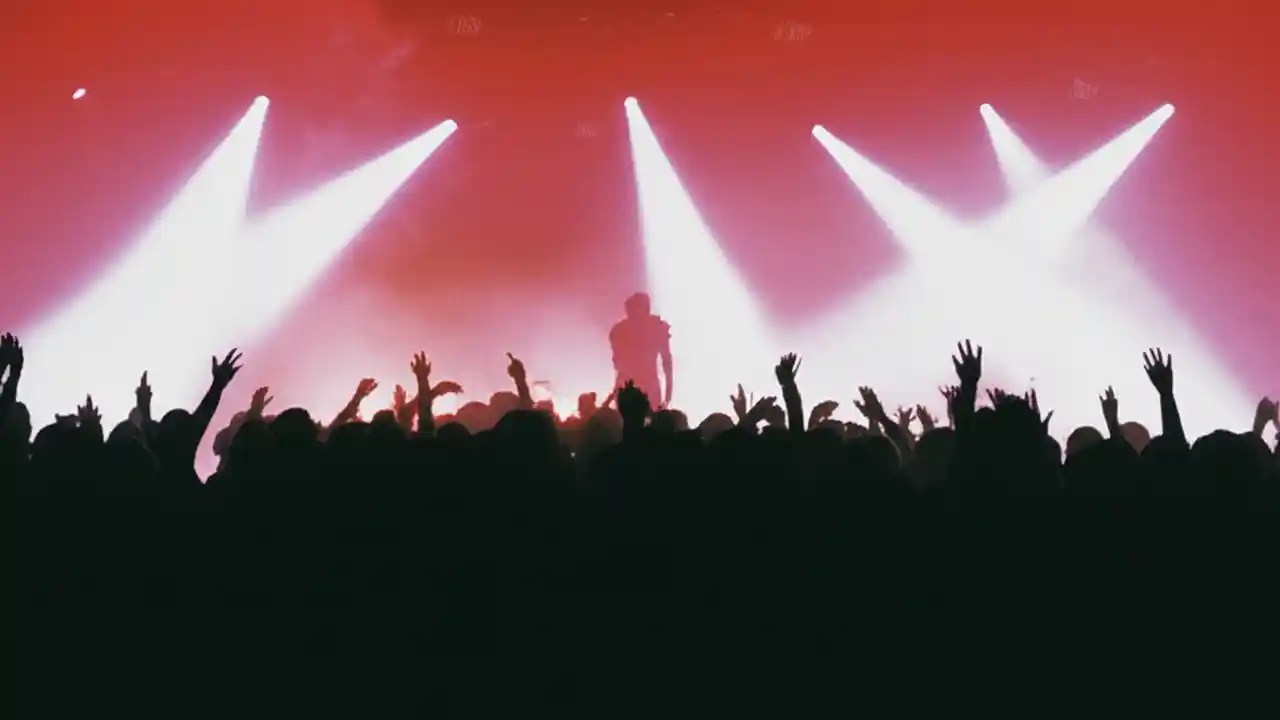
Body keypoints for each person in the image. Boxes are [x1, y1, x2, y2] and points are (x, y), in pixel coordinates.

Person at [608, 292, 673, 408]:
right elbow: (617, 362)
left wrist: (668, 395)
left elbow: (667, 361)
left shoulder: (656, 328)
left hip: (643, 386)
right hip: (632, 386)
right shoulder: (620, 331)